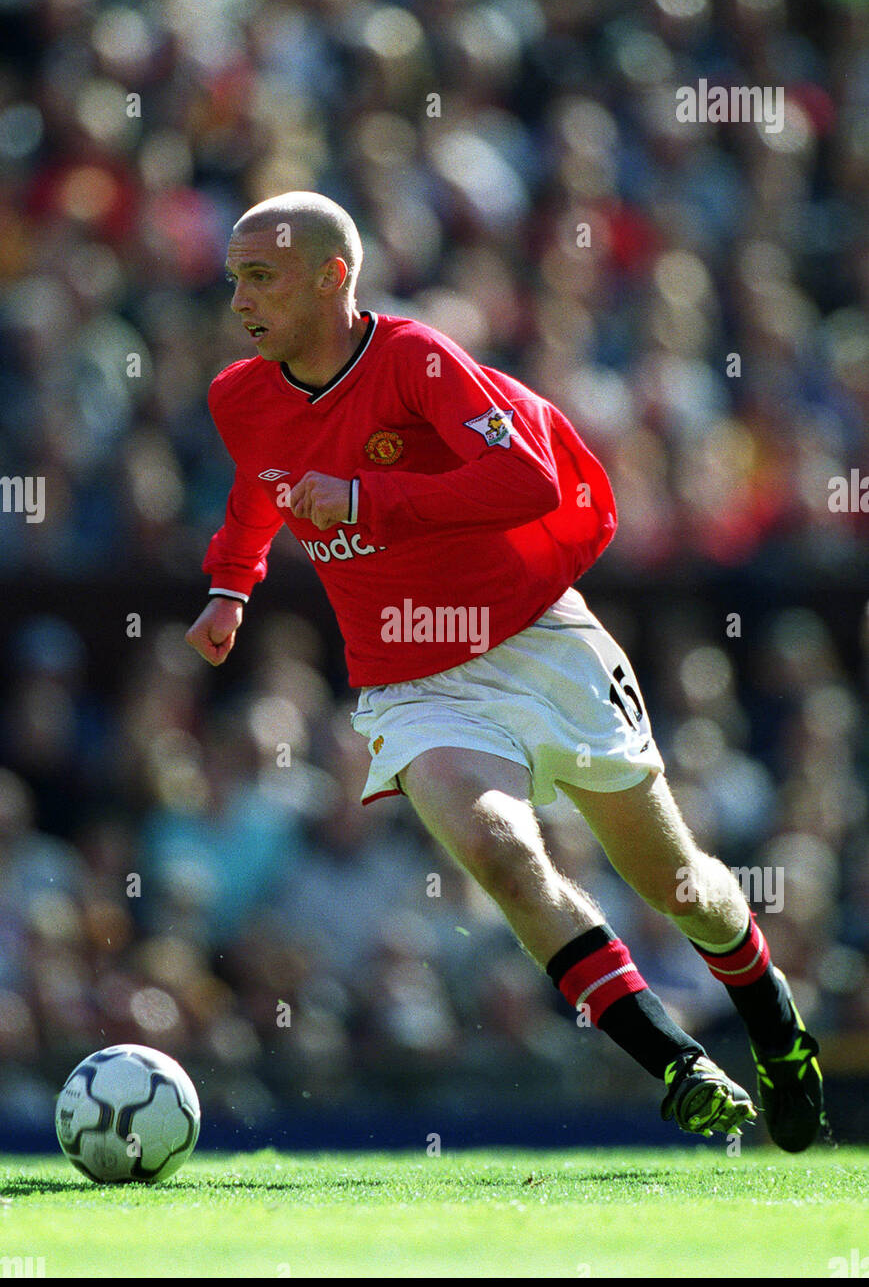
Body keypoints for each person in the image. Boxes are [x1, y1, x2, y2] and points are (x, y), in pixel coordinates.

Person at [186, 192, 826, 1150]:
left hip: (535, 639)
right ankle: (679, 1067)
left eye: (261, 276)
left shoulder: (415, 360)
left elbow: (527, 478)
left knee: (676, 885)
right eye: (234, 275)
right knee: (500, 854)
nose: (239, 297)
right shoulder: (239, 393)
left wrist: (368, 496)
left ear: (333, 278)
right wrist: (231, 587)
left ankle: (774, 1027)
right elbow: (258, 483)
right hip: (410, 682)